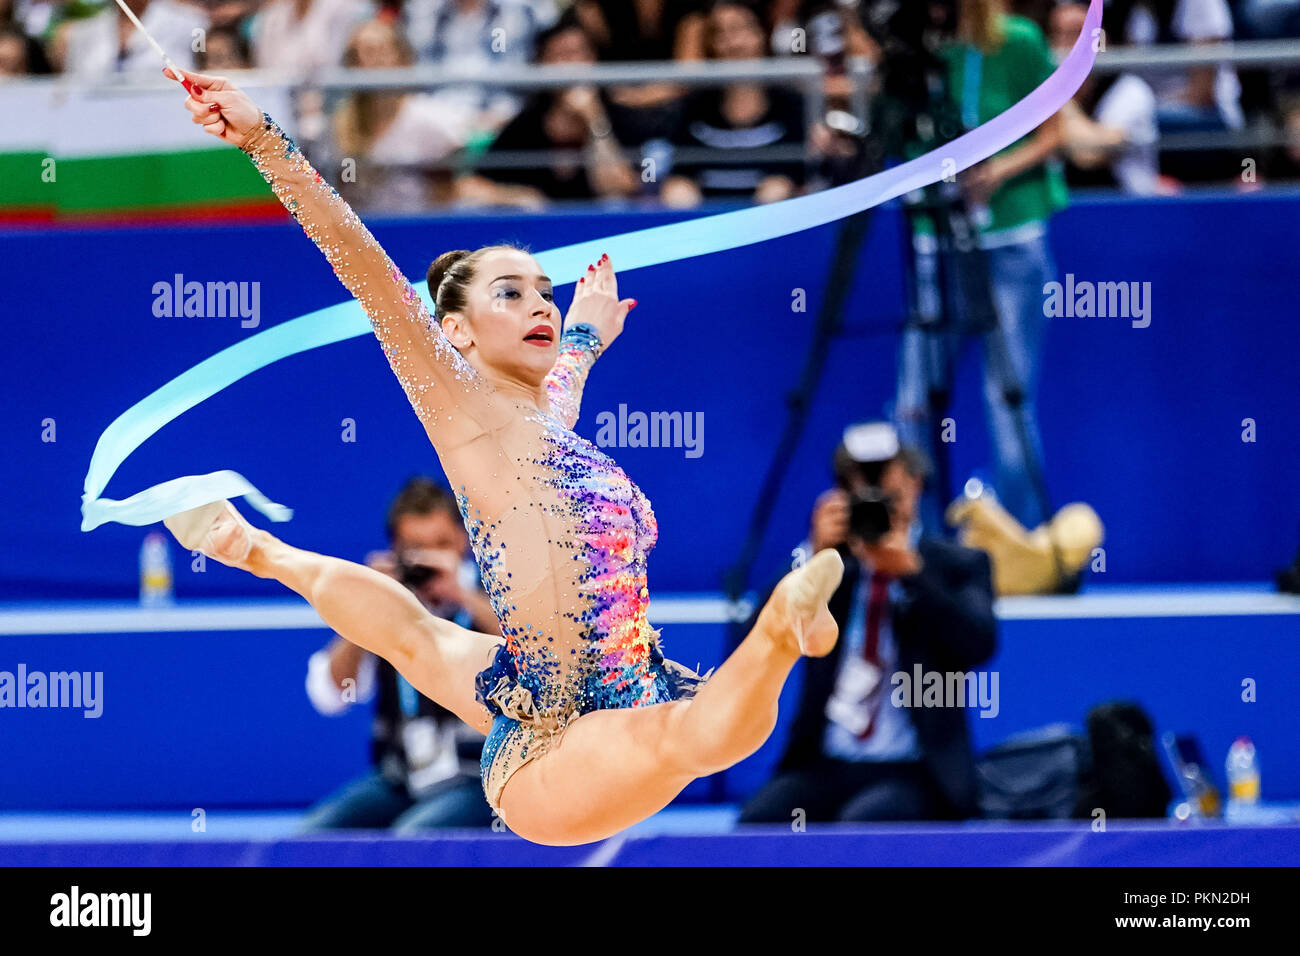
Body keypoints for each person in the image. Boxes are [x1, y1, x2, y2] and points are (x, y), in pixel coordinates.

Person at [158, 64, 846, 847]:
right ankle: (782, 628)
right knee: (687, 736)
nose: (540, 304)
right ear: (455, 332)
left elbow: (561, 391)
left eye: (543, 291)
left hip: (590, 686)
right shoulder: (461, 409)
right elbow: (356, 258)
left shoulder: (540, 425)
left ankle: (246, 546)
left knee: (420, 639)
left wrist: (585, 333)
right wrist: (259, 137)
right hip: (551, 750)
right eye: (510, 294)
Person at [740, 422, 998, 823]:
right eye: (862, 498)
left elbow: (979, 644)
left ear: (917, 484)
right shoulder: (828, 569)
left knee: (860, 828)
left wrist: (913, 575)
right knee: (758, 823)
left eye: (889, 497)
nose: (878, 509)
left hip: (915, 770)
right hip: (826, 764)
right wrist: (812, 556)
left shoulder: (955, 564)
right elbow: (752, 637)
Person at [893, 0, 1066, 533]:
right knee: (912, 400)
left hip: (1012, 237)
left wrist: (997, 170)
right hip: (936, 241)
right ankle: (907, 538)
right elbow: (898, 140)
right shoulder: (916, 49)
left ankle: (1014, 540)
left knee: (1007, 398)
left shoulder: (1019, 41)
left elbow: (1054, 134)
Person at [302, 477, 500, 832]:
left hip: (480, 779)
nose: (427, 559)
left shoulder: (494, 596)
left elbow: (534, 658)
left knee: (410, 839)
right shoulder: (387, 607)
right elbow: (329, 695)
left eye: (439, 545)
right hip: (401, 779)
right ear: (395, 549)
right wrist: (366, 606)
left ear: (463, 539)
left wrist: (461, 595)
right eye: (415, 548)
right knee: (313, 837)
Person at [451, 15, 639, 208]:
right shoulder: (526, 123)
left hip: (602, 229)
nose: (572, 66)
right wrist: (518, 196)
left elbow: (618, 187)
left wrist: (594, 119)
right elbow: (468, 186)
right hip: (537, 232)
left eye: (580, 54)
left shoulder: (618, 116)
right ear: (541, 65)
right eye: (560, 56)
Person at [660, 0, 809, 207]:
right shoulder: (694, 106)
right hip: (706, 223)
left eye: (740, 29)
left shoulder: (790, 104)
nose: (733, 44)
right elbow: (680, 174)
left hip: (772, 224)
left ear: (762, 34)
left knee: (776, 191)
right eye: (719, 34)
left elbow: (799, 175)